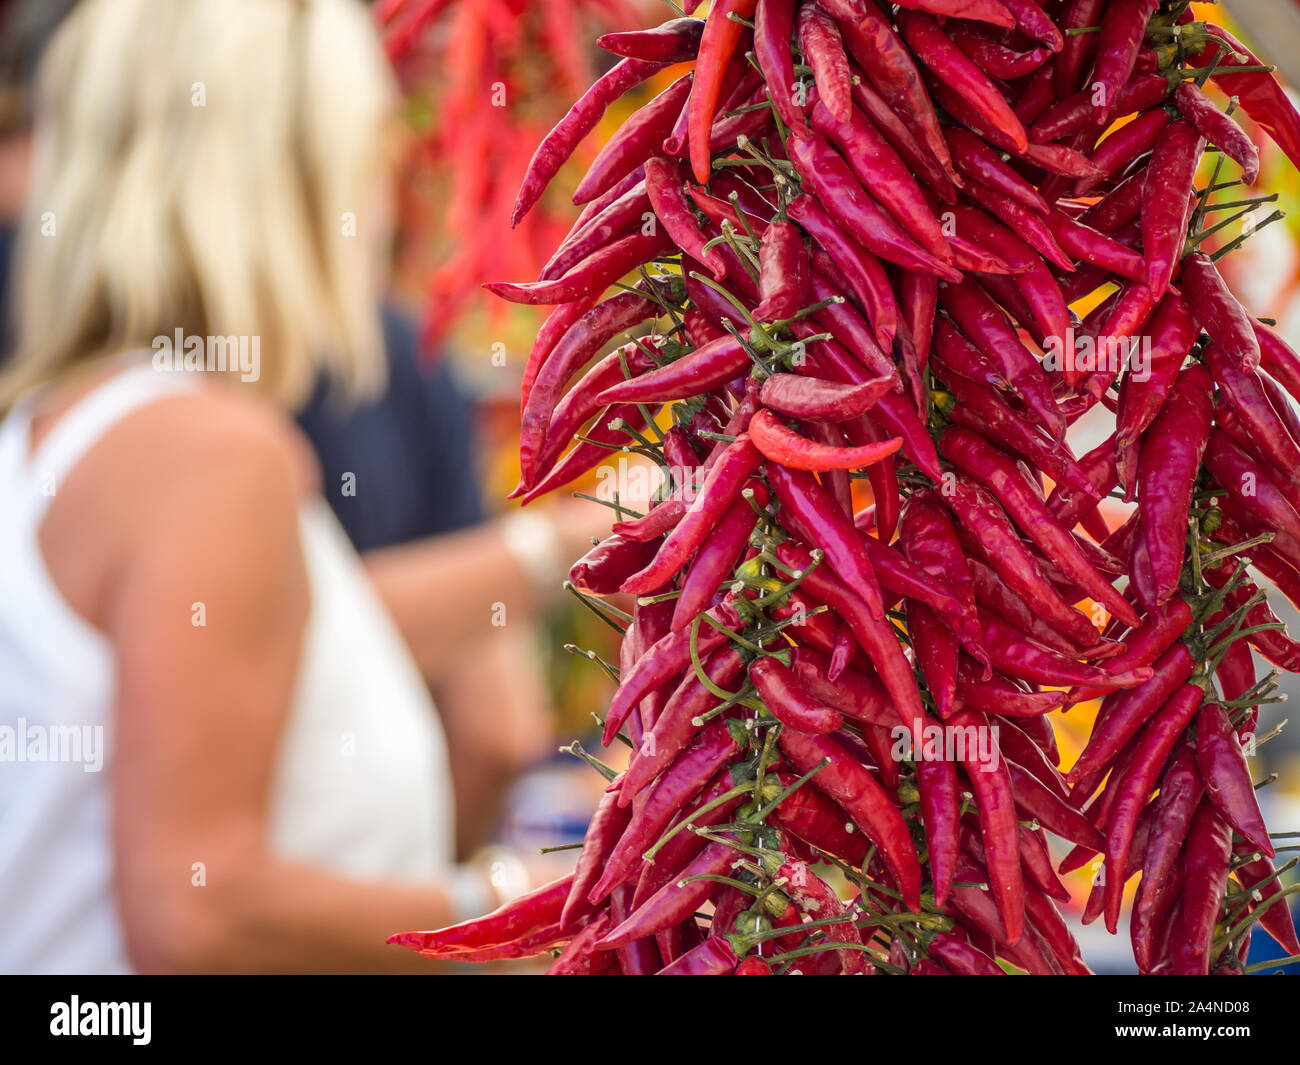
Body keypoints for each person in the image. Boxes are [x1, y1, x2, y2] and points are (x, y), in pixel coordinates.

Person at [0, 0, 589, 974]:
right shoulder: (212, 457)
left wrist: (552, 552)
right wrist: (514, 909)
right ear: (292, 179)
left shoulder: (70, 426)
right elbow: (200, 915)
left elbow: (282, 653)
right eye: (359, 150)